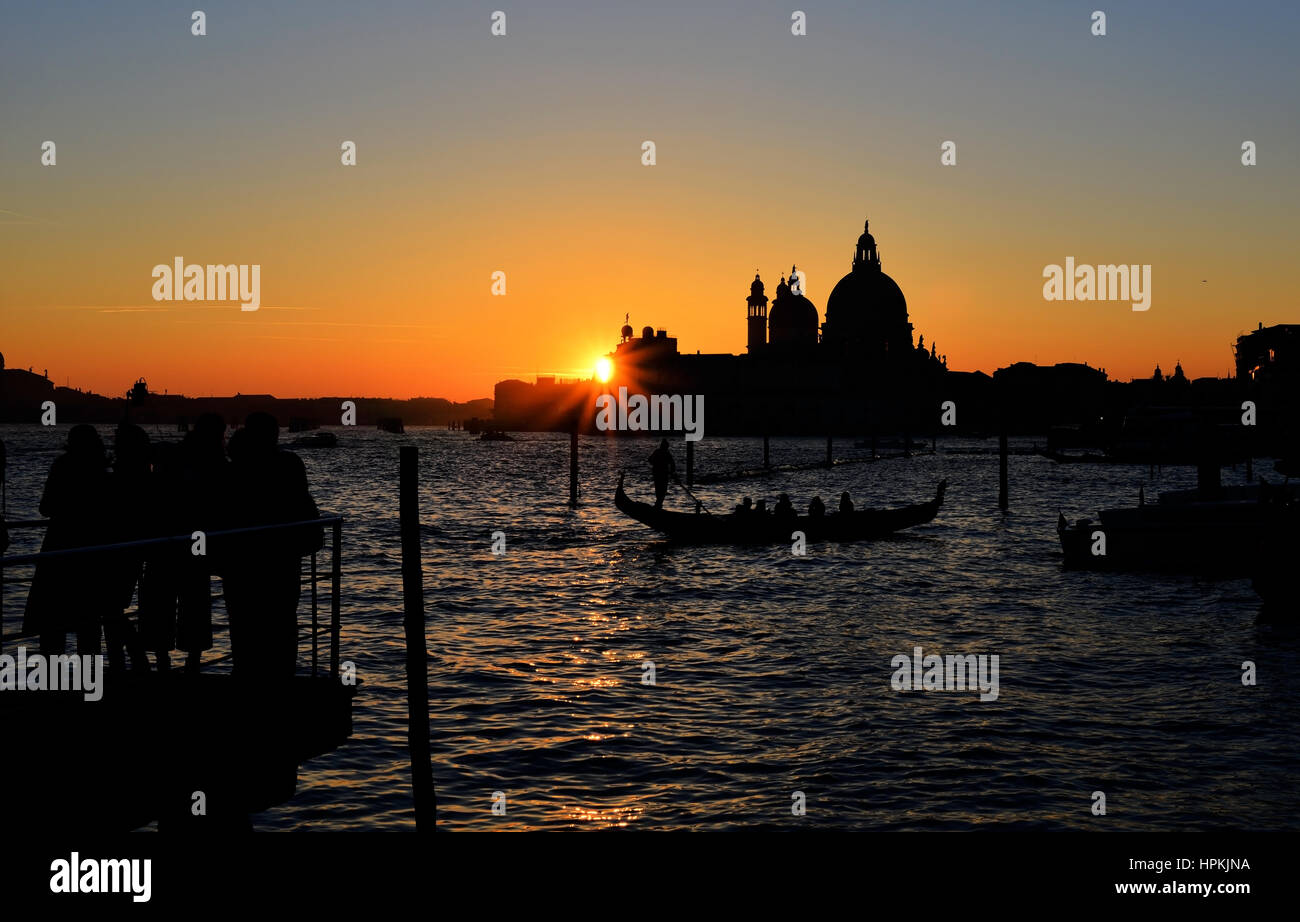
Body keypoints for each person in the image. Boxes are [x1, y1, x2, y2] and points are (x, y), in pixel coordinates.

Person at [221, 412, 319, 681]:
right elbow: (303, 504)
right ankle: (281, 678)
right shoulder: (289, 465)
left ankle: (245, 675)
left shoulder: (236, 471)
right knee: (282, 621)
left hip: (243, 563)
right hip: (282, 559)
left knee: (243, 624)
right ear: (274, 434)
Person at [24, 425, 114, 654]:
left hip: (59, 545)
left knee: (52, 618)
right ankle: (90, 677)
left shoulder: (62, 466)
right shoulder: (101, 470)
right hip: (92, 550)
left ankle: (52, 679)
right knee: (89, 620)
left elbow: (46, 507)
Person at [647, 439, 676, 509]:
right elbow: (672, 464)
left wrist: (671, 472)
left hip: (659, 474)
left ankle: (658, 505)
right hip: (660, 474)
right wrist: (672, 472)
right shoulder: (666, 453)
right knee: (661, 490)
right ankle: (658, 505)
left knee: (660, 490)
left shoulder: (660, 452)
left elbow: (650, 460)